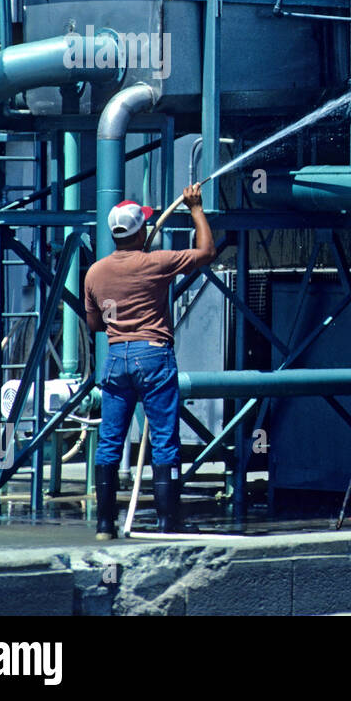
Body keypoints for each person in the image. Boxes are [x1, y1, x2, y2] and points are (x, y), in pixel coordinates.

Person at [84, 184, 217, 538]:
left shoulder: (95, 273)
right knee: (164, 440)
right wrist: (196, 209)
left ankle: (103, 525)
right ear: (141, 231)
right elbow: (206, 251)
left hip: (115, 358)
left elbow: (96, 324)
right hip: (153, 355)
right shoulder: (156, 262)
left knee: (111, 441)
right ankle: (166, 522)